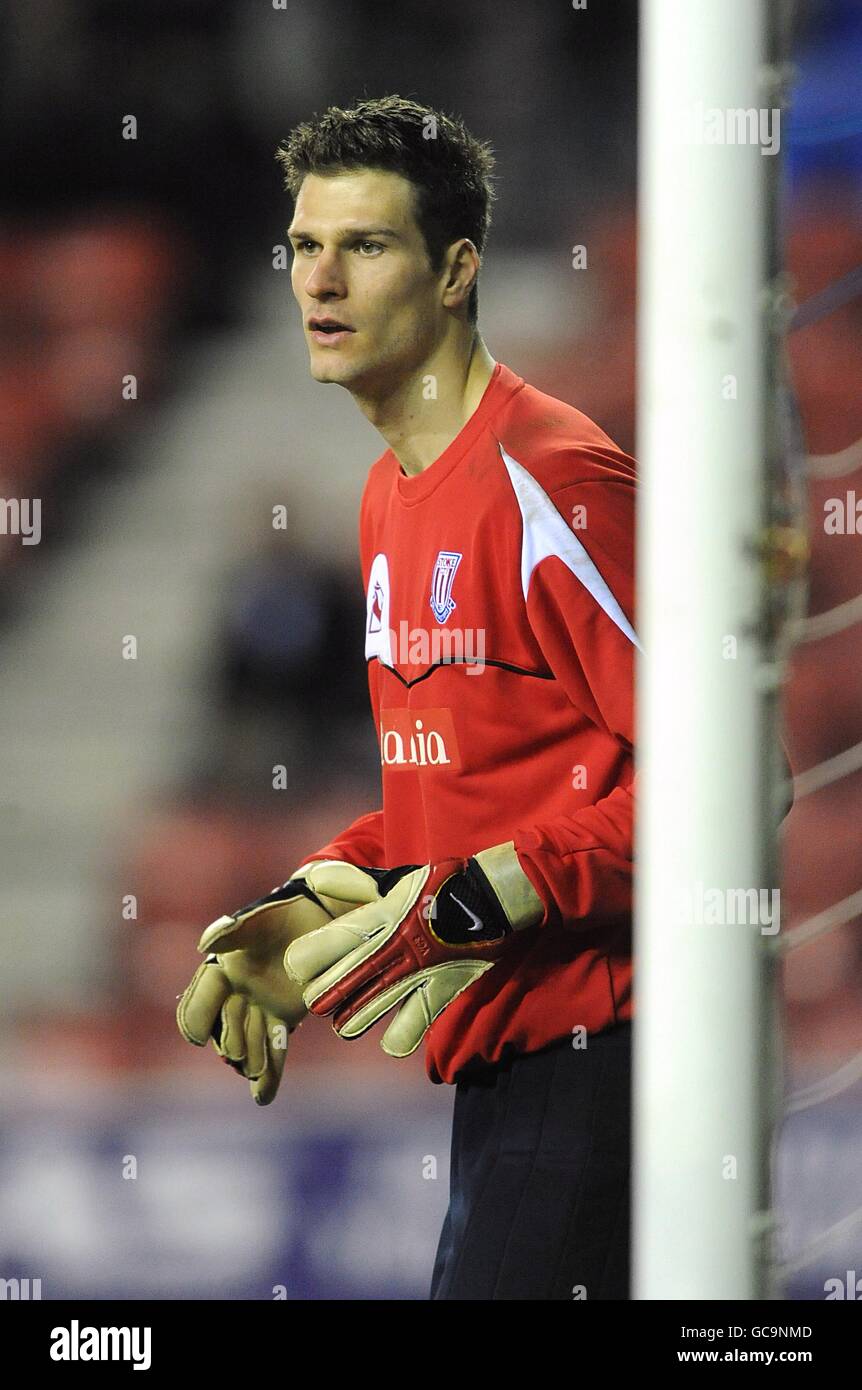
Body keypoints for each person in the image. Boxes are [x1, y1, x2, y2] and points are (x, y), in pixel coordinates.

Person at [177, 95, 636, 1301]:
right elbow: (466, 786)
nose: (319, 279)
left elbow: (733, 784)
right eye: (302, 247)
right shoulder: (388, 496)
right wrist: (316, 887)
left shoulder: (553, 476)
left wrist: (484, 899)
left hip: (605, 1060)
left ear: (455, 272)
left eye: (365, 245)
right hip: (500, 1076)